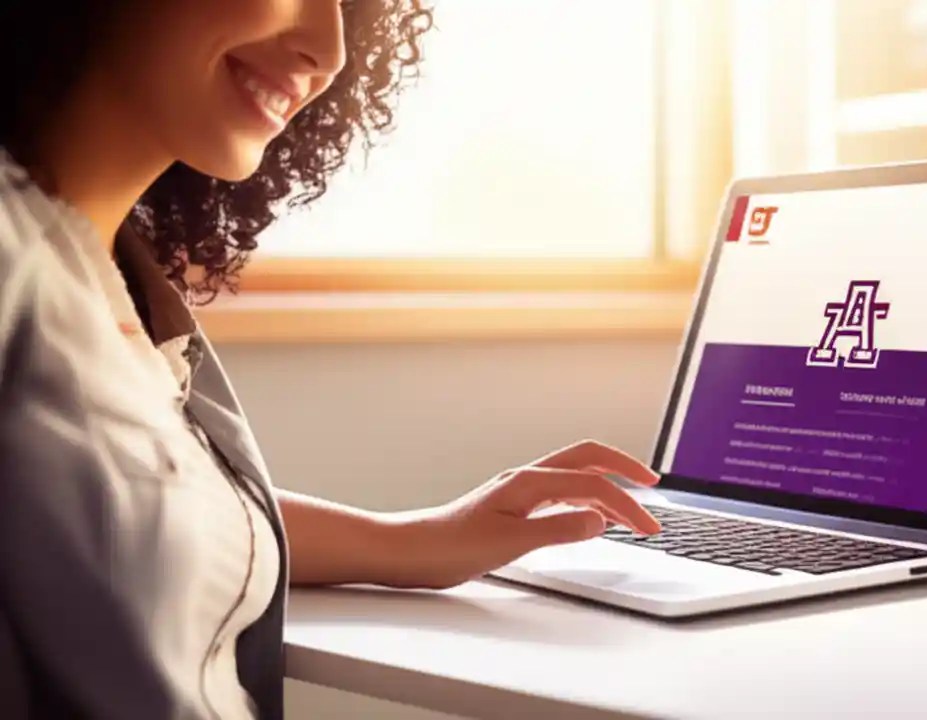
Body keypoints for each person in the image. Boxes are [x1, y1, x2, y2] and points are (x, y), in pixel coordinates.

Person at [0, 2, 662, 718]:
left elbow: (122, 498)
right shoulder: (15, 265)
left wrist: (411, 540)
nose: (330, 49)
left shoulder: (111, 281)